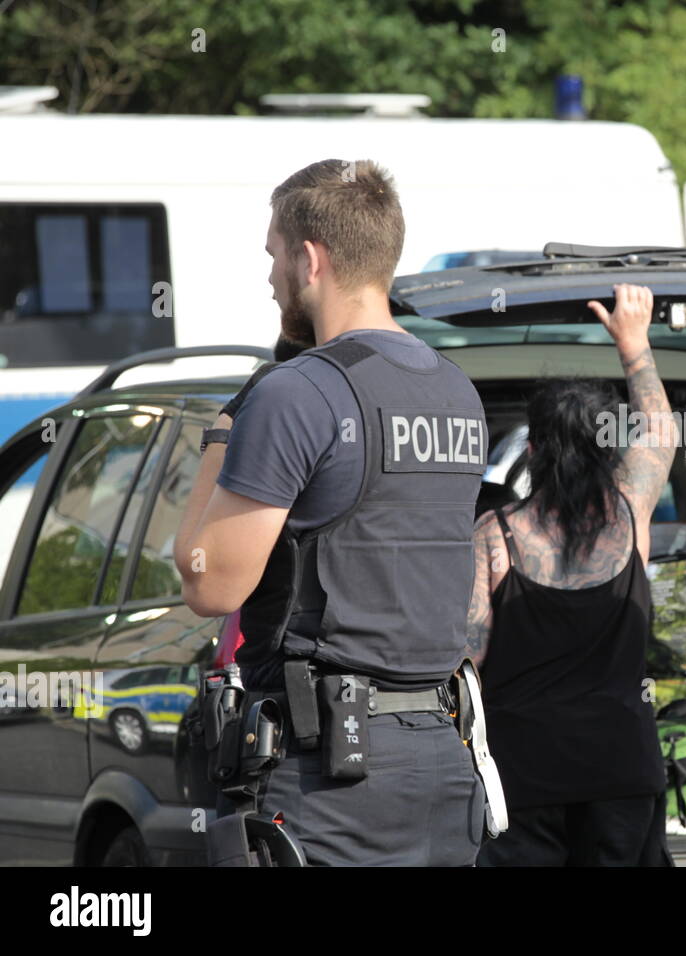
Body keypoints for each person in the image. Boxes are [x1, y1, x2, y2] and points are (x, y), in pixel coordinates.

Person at [175, 158, 487, 866]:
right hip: (442, 754)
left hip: (330, 775)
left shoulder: (297, 392)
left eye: (273, 255)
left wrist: (221, 438)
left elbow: (208, 584)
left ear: (310, 258)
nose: (269, 276)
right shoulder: (456, 390)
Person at [468, 283, 675, 867]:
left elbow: (466, 666)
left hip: (523, 780)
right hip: (623, 771)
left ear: (532, 450)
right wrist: (633, 342)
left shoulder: (494, 536)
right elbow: (660, 431)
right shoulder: (630, 513)